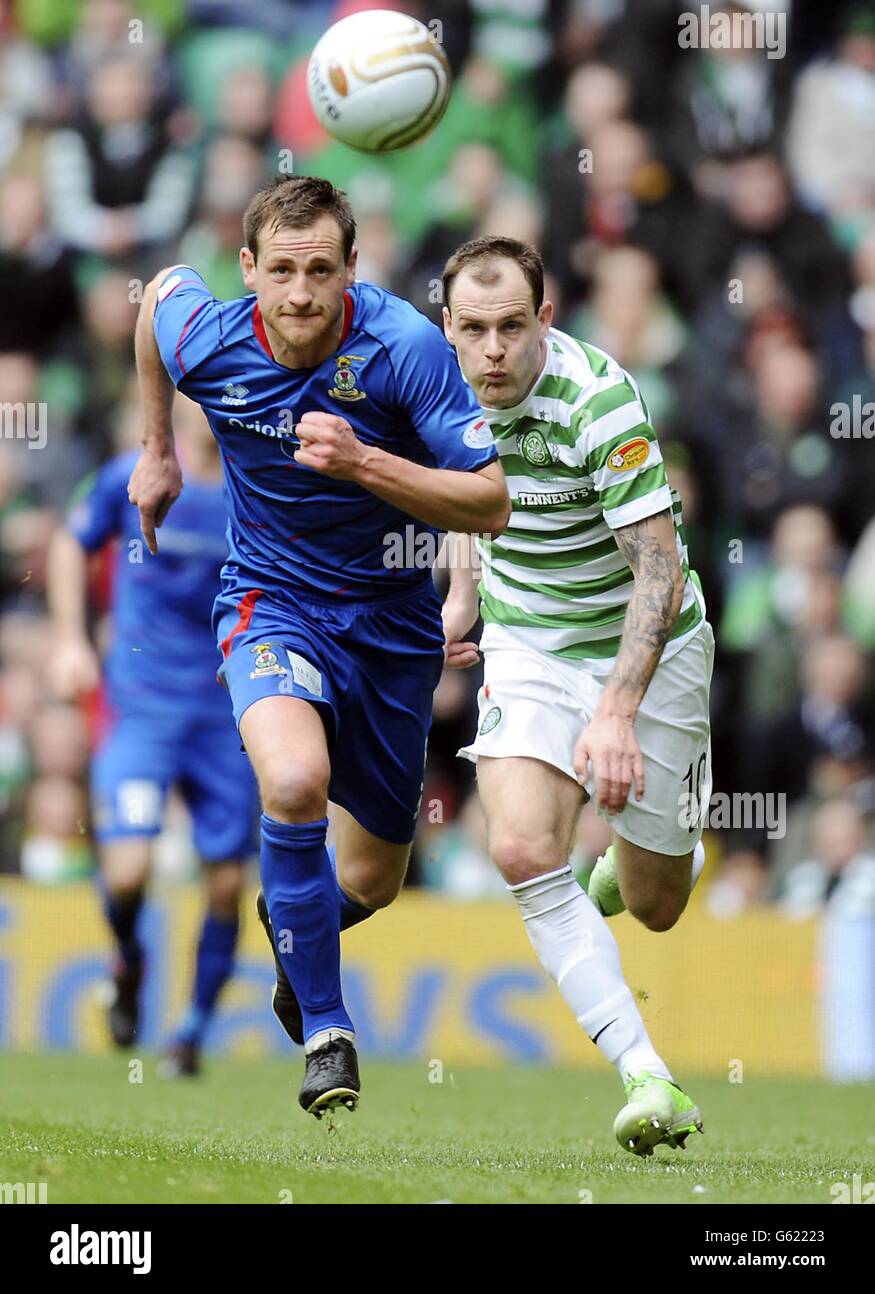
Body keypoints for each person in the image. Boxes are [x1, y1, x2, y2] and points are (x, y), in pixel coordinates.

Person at [126, 175, 509, 1119]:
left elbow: (489, 499)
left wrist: (364, 462)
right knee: (292, 782)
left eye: (322, 271)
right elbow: (157, 297)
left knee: (374, 878)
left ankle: (297, 927)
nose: (301, 293)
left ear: (350, 271)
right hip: (270, 601)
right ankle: (330, 1036)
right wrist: (159, 449)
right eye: (283, 270)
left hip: (391, 624)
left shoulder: (403, 349)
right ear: (248, 269)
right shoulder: (207, 336)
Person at [441, 235, 715, 1156]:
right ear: (448, 328)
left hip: (651, 646)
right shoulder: (436, 387)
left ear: (544, 321)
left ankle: (626, 870)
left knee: (655, 905)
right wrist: (458, 595)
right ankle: (647, 1077)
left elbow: (660, 572)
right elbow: (458, 497)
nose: (492, 351)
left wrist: (614, 713)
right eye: (473, 329)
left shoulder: (598, 400)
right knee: (519, 846)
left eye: (511, 327)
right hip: (527, 644)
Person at [46, 396, 260, 1076]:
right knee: (129, 869)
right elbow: (66, 542)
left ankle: (190, 1033)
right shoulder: (128, 476)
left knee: (227, 884)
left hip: (228, 711)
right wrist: (69, 640)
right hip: (139, 708)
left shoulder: (257, 488)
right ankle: (130, 960)